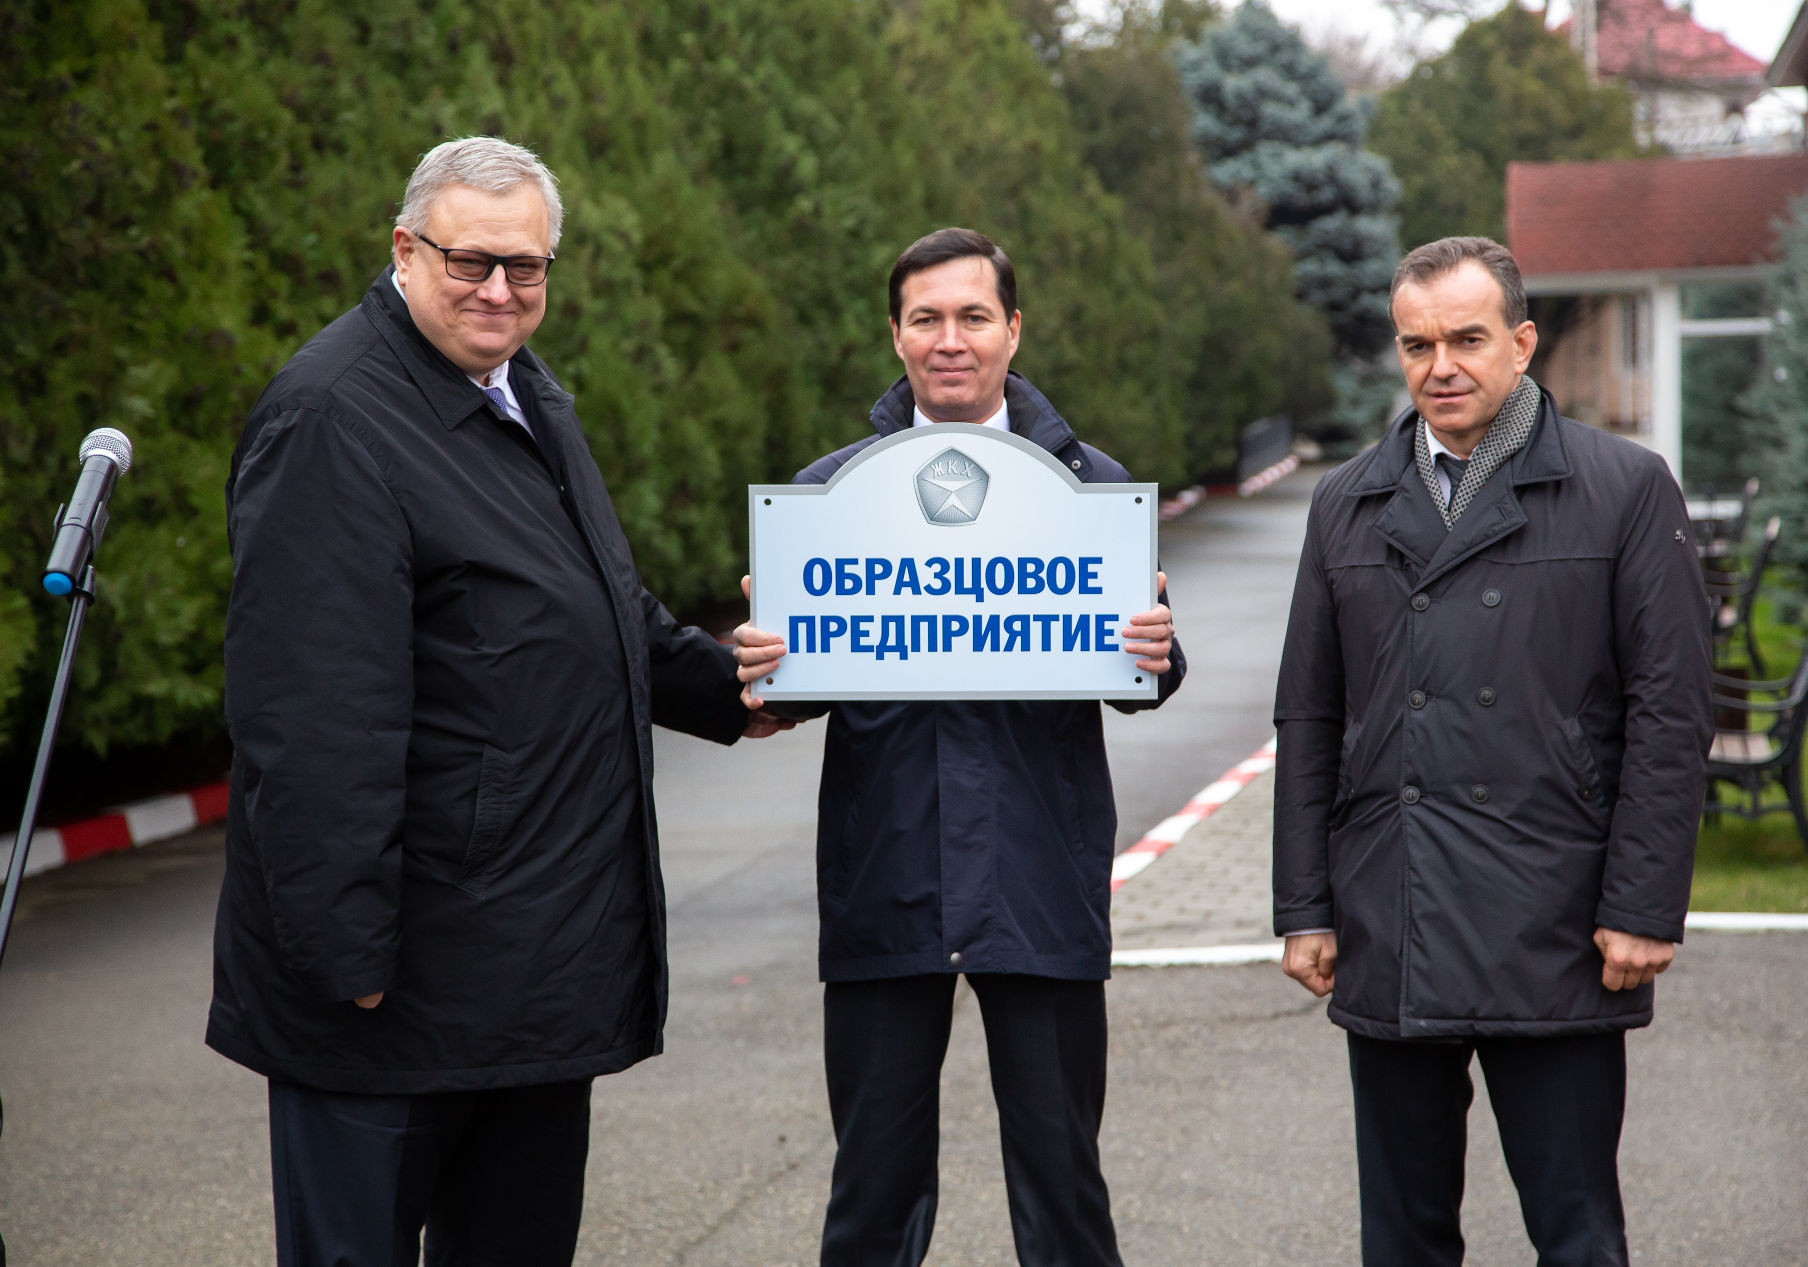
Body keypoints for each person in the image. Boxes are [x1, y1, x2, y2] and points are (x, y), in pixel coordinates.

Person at [209, 136, 788, 1267]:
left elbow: (593, 606)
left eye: (525, 267)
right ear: (404, 249)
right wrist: (345, 962)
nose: (498, 289)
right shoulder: (334, 417)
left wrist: (735, 688)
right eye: (469, 261)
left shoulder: (518, 390)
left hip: (525, 975)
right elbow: (312, 717)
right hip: (392, 994)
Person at [733, 227, 1185, 1267]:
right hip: (886, 873)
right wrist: (764, 664)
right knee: (873, 1192)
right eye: (926, 318)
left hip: (1039, 875)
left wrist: (1159, 653)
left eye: (973, 316)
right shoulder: (827, 498)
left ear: (1012, 330)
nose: (950, 339)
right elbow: (796, 687)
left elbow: (1142, 675)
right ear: (895, 334)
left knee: (1064, 1189)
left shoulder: (1092, 489)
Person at [1272, 235, 1712, 1266]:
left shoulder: (1625, 487)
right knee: (1402, 1241)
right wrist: (1304, 906)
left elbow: (1669, 710)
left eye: (1466, 339)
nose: (1441, 367)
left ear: (1521, 343)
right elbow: (1310, 716)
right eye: (1416, 344)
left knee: (1577, 1235)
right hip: (1394, 913)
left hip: (1555, 924)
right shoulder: (1346, 501)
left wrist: (1643, 906)